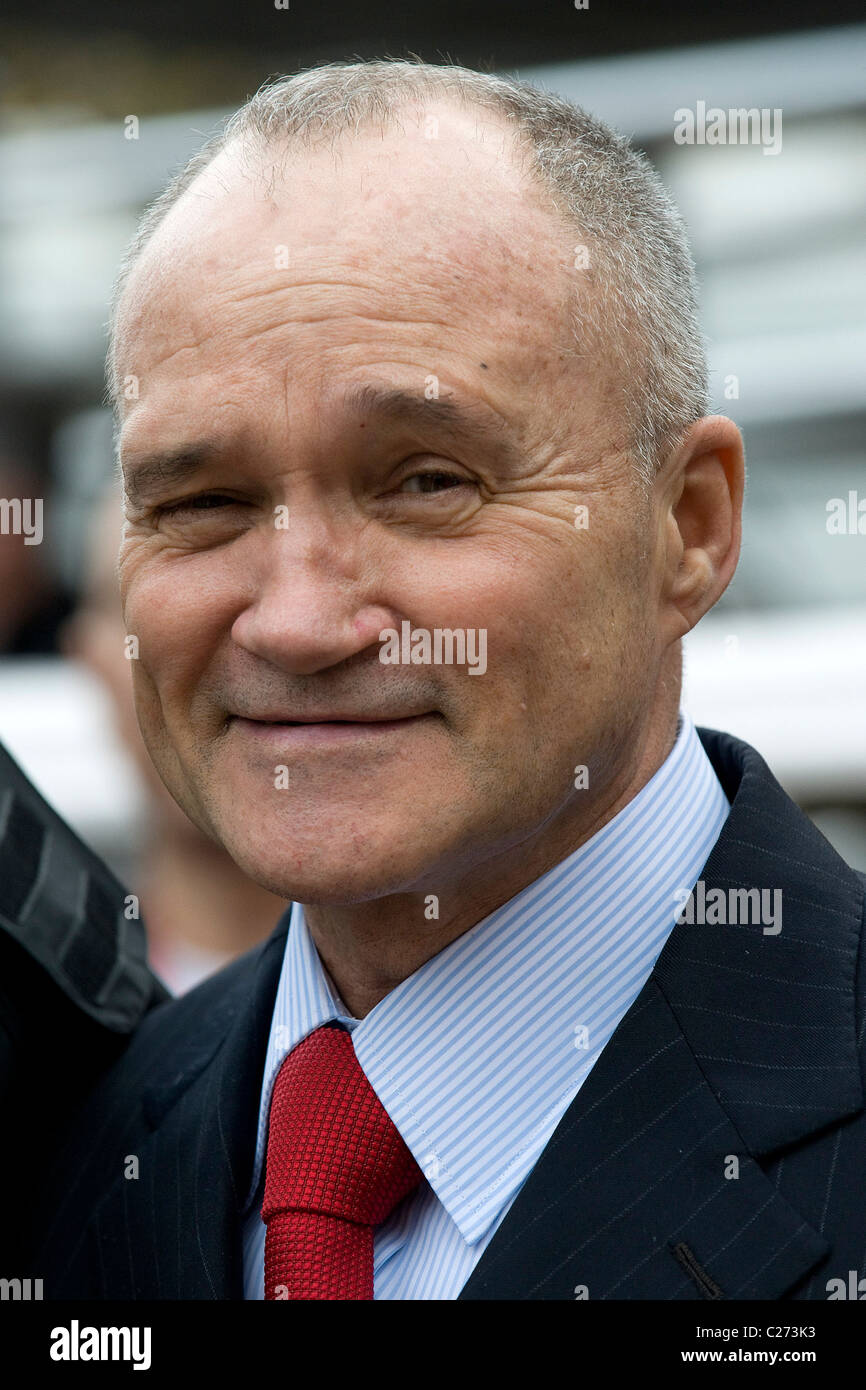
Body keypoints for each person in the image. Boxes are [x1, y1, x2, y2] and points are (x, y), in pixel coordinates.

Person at [23, 60, 866, 1300]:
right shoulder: (65, 1152)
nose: (299, 619)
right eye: (201, 503)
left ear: (686, 526)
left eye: (426, 482)